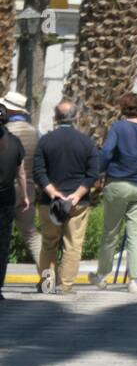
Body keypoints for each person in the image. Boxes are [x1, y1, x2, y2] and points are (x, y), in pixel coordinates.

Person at [88, 93, 137, 294]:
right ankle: (135, 280)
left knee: (111, 232)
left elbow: (106, 152)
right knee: (136, 234)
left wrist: (99, 171)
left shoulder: (119, 128)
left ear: (124, 108)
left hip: (118, 184)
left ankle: (102, 275)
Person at [32, 99, 99, 294]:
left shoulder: (45, 141)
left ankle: (47, 284)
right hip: (77, 204)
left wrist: (53, 192)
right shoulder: (86, 142)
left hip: (49, 202)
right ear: (76, 117)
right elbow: (92, 173)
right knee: (73, 245)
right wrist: (76, 196)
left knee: (48, 243)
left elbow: (38, 171)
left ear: (55, 118)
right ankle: (66, 286)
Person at [2, 91, 41, 262]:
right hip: (29, 189)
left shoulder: (5, 132)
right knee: (31, 234)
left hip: (6, 188)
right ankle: (49, 277)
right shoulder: (35, 132)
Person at [0, 103, 28, 300]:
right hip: (6, 197)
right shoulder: (15, 142)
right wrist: (25, 195)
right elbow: (21, 173)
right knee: (2, 243)